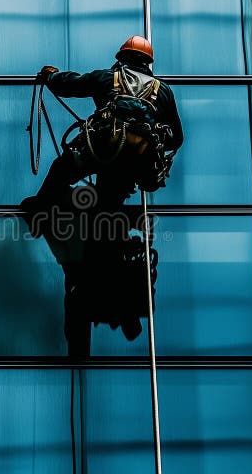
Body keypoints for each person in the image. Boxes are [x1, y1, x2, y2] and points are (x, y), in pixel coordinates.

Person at [21, 35, 184, 356]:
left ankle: (40, 211)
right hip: (134, 162)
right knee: (108, 203)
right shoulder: (162, 91)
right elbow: (176, 137)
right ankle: (115, 291)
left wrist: (51, 76)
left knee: (63, 168)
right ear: (148, 63)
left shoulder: (110, 77)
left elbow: (72, 84)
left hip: (104, 149)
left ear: (122, 57)